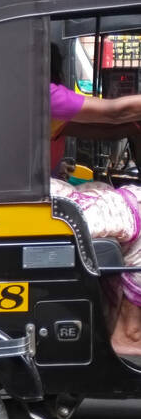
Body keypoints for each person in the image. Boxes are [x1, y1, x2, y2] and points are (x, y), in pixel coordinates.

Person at [46, 44, 141, 356]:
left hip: (37, 193)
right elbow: (114, 112)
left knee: (101, 188)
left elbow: (109, 127)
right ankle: (130, 332)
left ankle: (112, 316)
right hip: (35, 199)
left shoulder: (27, 101)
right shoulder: (42, 95)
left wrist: (132, 125)